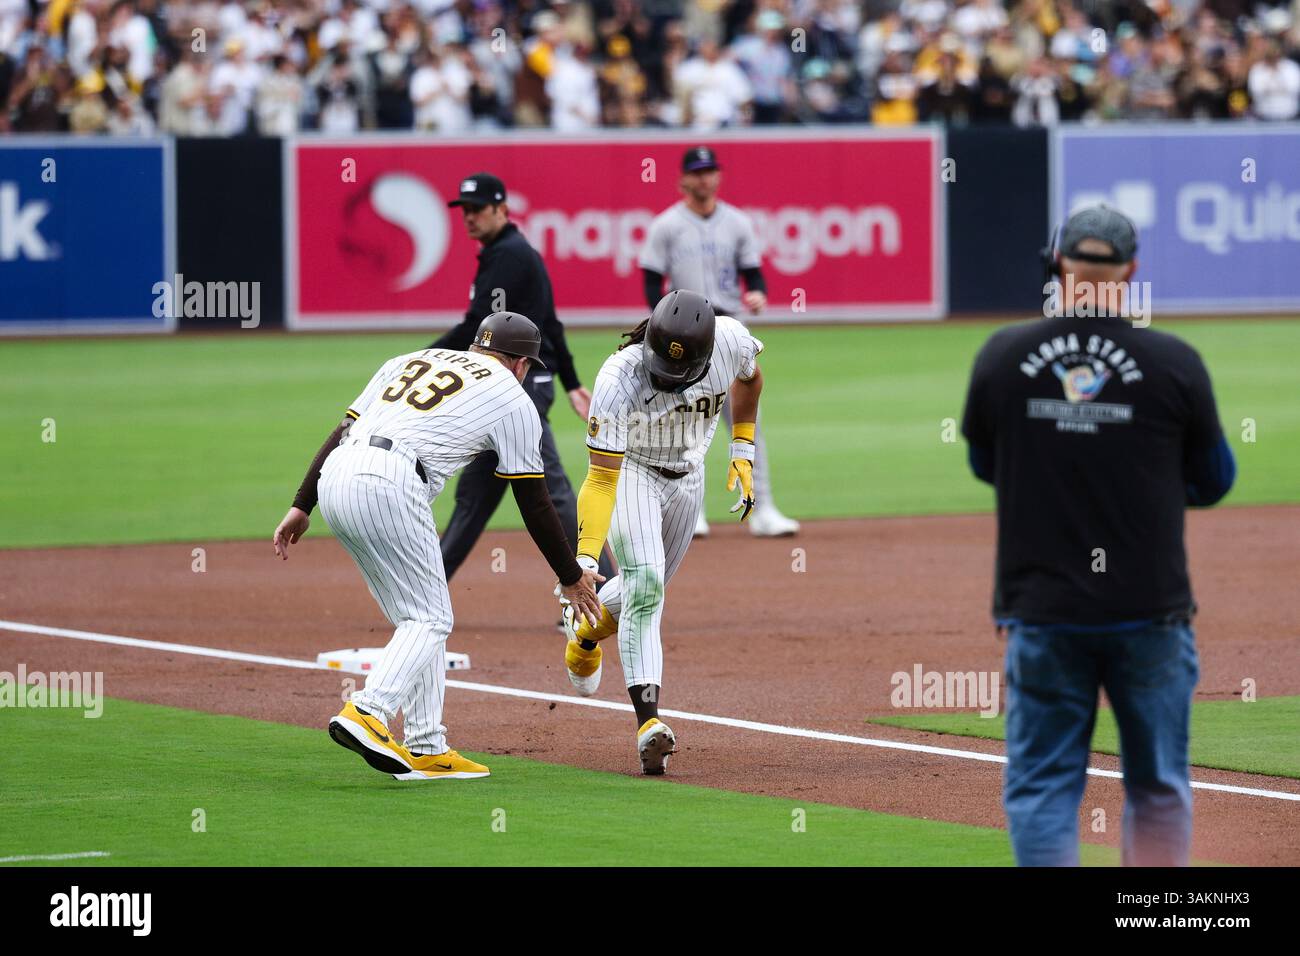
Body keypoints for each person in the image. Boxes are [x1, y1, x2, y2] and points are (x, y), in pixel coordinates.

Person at [960, 205, 1236, 866]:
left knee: (1043, 787)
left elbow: (983, 464)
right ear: (1131, 271)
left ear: (1058, 266)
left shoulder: (1004, 354)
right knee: (1159, 787)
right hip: (1150, 609)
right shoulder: (1175, 362)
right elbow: (1215, 480)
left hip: (1044, 609)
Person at [272, 312, 602, 781]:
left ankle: (427, 746)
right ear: (520, 363)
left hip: (338, 477)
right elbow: (533, 498)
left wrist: (303, 504)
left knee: (418, 616)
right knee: (430, 618)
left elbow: (341, 430)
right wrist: (571, 577)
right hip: (390, 482)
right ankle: (368, 711)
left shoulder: (410, 359)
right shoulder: (512, 395)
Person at [560, 290, 766, 774]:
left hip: (688, 480)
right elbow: (601, 477)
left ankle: (584, 630)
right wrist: (587, 560)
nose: (664, 376)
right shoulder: (618, 378)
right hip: (634, 474)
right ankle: (648, 724)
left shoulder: (732, 340)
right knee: (648, 589)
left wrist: (742, 447)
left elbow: (751, 381)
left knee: (641, 587)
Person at [428, 173, 615, 584]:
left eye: (478, 209)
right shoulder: (508, 252)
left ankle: (605, 583)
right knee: (475, 496)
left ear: (502, 209)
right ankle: (430, 586)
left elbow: (475, 329)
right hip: (513, 388)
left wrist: (423, 359)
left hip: (522, 388)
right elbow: (551, 322)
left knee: (551, 493)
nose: (469, 217)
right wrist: (570, 381)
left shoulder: (509, 257)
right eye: (464, 210)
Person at [639, 145, 799, 538]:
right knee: (687, 424)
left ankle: (761, 510)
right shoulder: (666, 225)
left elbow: (754, 274)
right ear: (682, 180)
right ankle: (690, 513)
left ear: (718, 176)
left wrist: (758, 294)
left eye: (710, 170)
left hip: (730, 329)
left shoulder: (738, 222)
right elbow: (650, 283)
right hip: (684, 335)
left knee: (747, 420)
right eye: (696, 172)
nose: (704, 178)